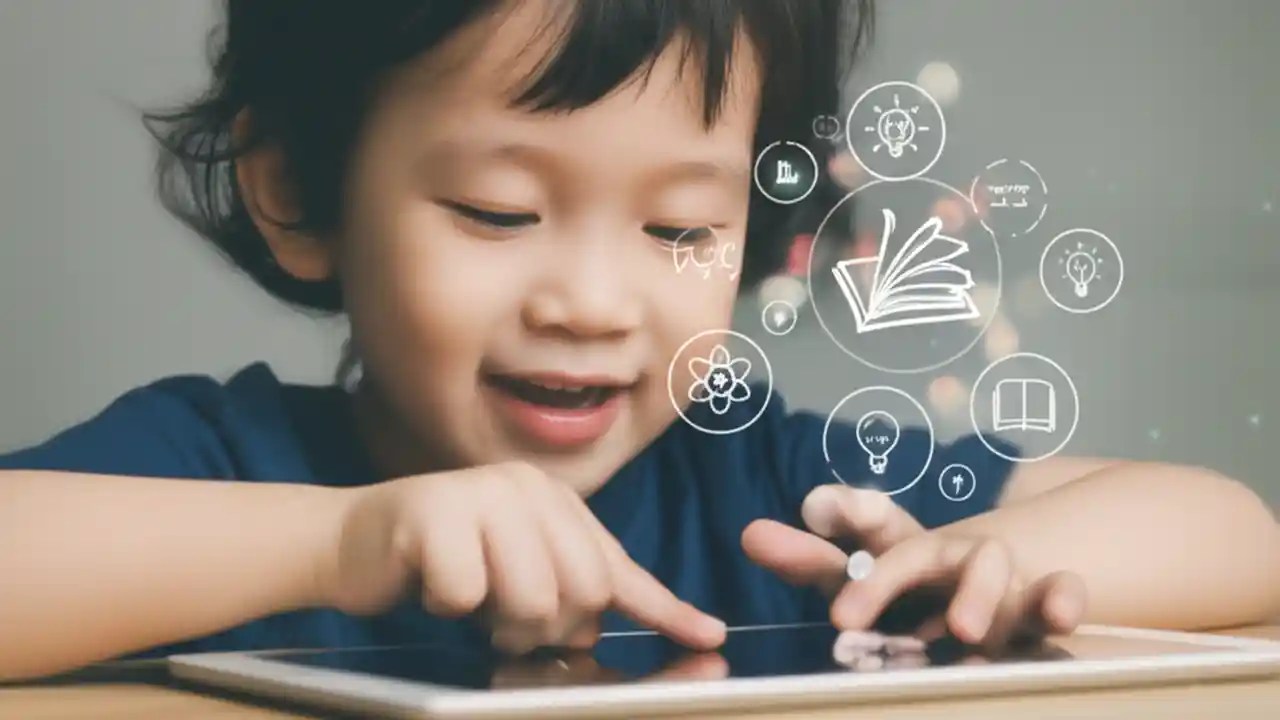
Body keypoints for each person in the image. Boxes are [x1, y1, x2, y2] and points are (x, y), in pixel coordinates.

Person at [0, 0, 1276, 682]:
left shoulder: (773, 494)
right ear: (299, 191)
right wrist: (338, 541)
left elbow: (1234, 533)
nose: (596, 302)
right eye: (498, 210)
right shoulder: (228, 465)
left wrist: (981, 560)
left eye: (677, 226)